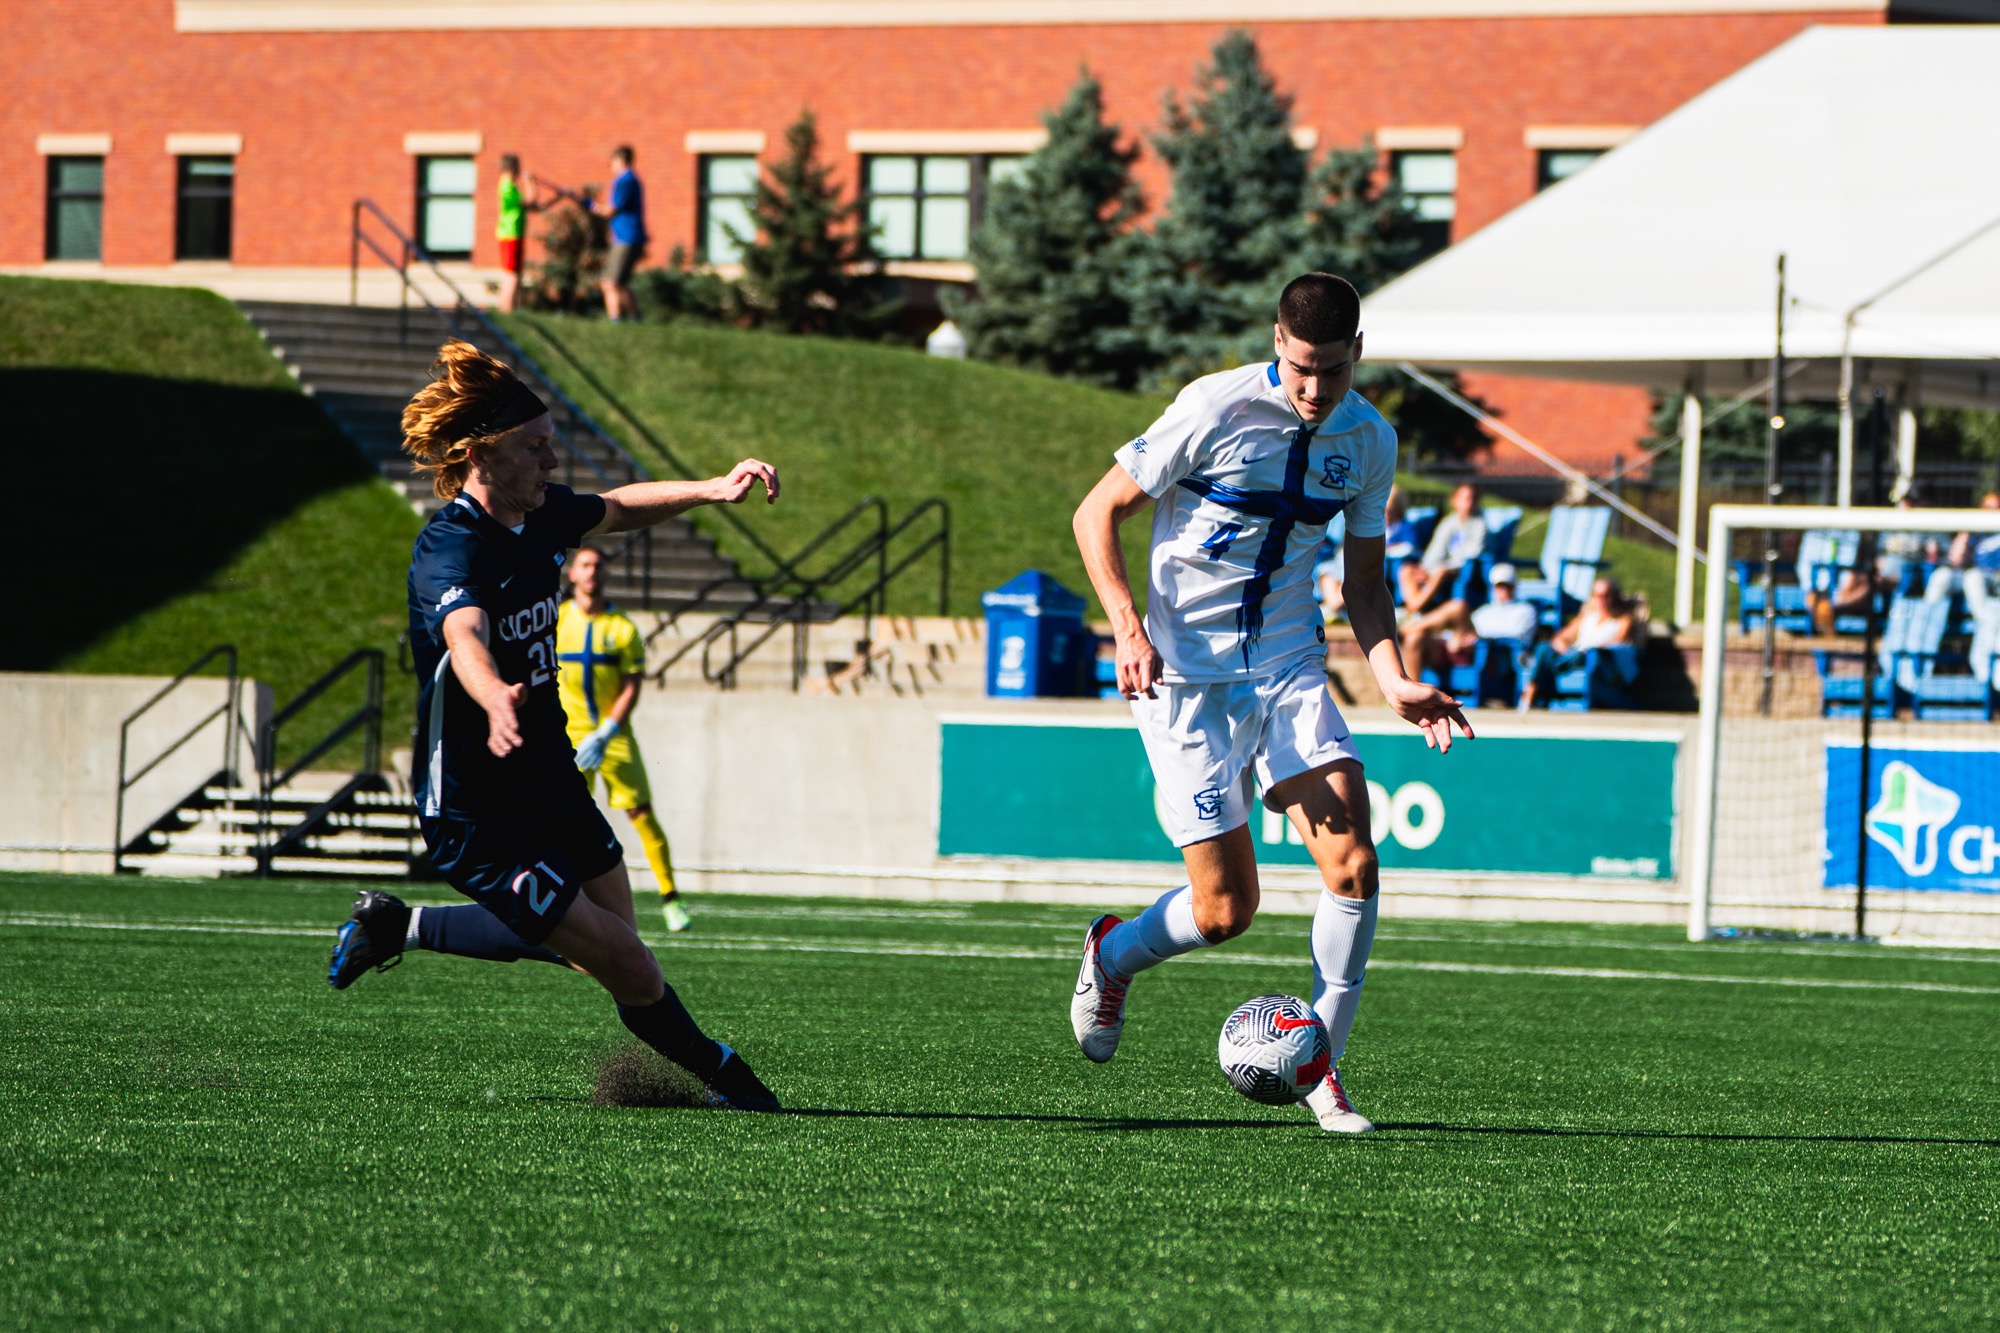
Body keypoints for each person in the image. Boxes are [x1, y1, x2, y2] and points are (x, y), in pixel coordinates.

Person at [326, 339, 782, 1111]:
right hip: (477, 809)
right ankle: (731, 1082)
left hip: (549, 776)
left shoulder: (538, 516)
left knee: (609, 948)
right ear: (481, 455)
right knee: (629, 966)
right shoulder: (452, 545)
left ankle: (400, 928)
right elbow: (463, 633)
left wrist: (711, 489)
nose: (550, 460)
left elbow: (620, 507)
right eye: (535, 448)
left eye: (550, 445)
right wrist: (496, 694)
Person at [1067, 272, 1472, 1135]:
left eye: (1332, 369)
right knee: (1224, 912)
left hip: (1288, 666)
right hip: (1183, 677)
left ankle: (1324, 1074)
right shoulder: (1212, 408)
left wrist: (1394, 678)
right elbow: (1095, 513)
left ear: (1357, 354)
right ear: (1275, 345)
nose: (1315, 388)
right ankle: (1112, 952)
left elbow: (1364, 582)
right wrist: (1127, 629)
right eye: (1299, 368)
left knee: (1355, 864)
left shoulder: (1370, 442)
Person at [557, 544, 691, 933]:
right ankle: (568, 900)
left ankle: (670, 898)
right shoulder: (557, 619)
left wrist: (606, 731)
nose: (592, 571)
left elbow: (632, 686)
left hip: (611, 737)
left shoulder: (623, 627)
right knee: (564, 818)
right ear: (573, 574)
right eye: (585, 564)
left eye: (599, 565)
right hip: (567, 738)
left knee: (641, 814)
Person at [1399, 562, 1539, 687]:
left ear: (1515, 586)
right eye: (1499, 586)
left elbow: (1518, 637)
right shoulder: (1484, 611)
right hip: (1458, 646)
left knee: (1459, 607)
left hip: (1489, 655)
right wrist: (1453, 638)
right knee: (1415, 638)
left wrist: (1479, 640)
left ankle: (1404, 629)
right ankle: (1412, 693)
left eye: (1507, 586)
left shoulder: (1525, 610)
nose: (1503, 590)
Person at [1516, 576, 1638, 710]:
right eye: (1597, 595)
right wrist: (1563, 645)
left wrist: (1590, 649)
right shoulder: (1587, 618)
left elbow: (1619, 641)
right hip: (1572, 656)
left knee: (1585, 654)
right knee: (1544, 647)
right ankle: (1534, 682)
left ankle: (1536, 668)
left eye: (1606, 595)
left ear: (1615, 597)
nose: (1602, 600)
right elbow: (1561, 637)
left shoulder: (1622, 620)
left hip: (1598, 660)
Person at [1317, 484, 1413, 622]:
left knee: (1354, 575)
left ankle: (1334, 609)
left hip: (1372, 563)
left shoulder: (1402, 528)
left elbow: (1408, 548)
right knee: (1327, 572)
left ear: (1398, 510)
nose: (1385, 515)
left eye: (1389, 511)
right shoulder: (1364, 524)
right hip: (1346, 560)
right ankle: (1334, 608)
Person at [1398, 482, 1486, 613]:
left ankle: (1412, 610)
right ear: (1454, 501)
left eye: (1472, 498)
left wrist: (1437, 570)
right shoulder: (1448, 523)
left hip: (1459, 570)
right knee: (1406, 570)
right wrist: (1425, 569)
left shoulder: (1479, 525)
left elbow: (1471, 554)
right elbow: (1436, 549)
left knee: (1441, 572)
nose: (1468, 502)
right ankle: (1416, 606)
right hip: (1437, 568)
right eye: (1464, 498)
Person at [593, 145, 646, 322]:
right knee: (620, 283)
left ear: (621, 161)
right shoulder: (633, 180)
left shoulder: (624, 181)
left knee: (610, 282)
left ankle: (616, 320)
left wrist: (591, 206)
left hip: (626, 238)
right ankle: (634, 318)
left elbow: (610, 210)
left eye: (612, 162)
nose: (611, 167)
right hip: (628, 237)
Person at [493, 154, 546, 314]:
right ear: (512, 168)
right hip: (511, 233)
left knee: (512, 273)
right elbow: (529, 201)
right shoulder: (507, 186)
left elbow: (530, 206)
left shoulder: (508, 186)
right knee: (512, 274)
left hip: (511, 233)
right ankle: (507, 309)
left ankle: (507, 307)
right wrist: (530, 182)